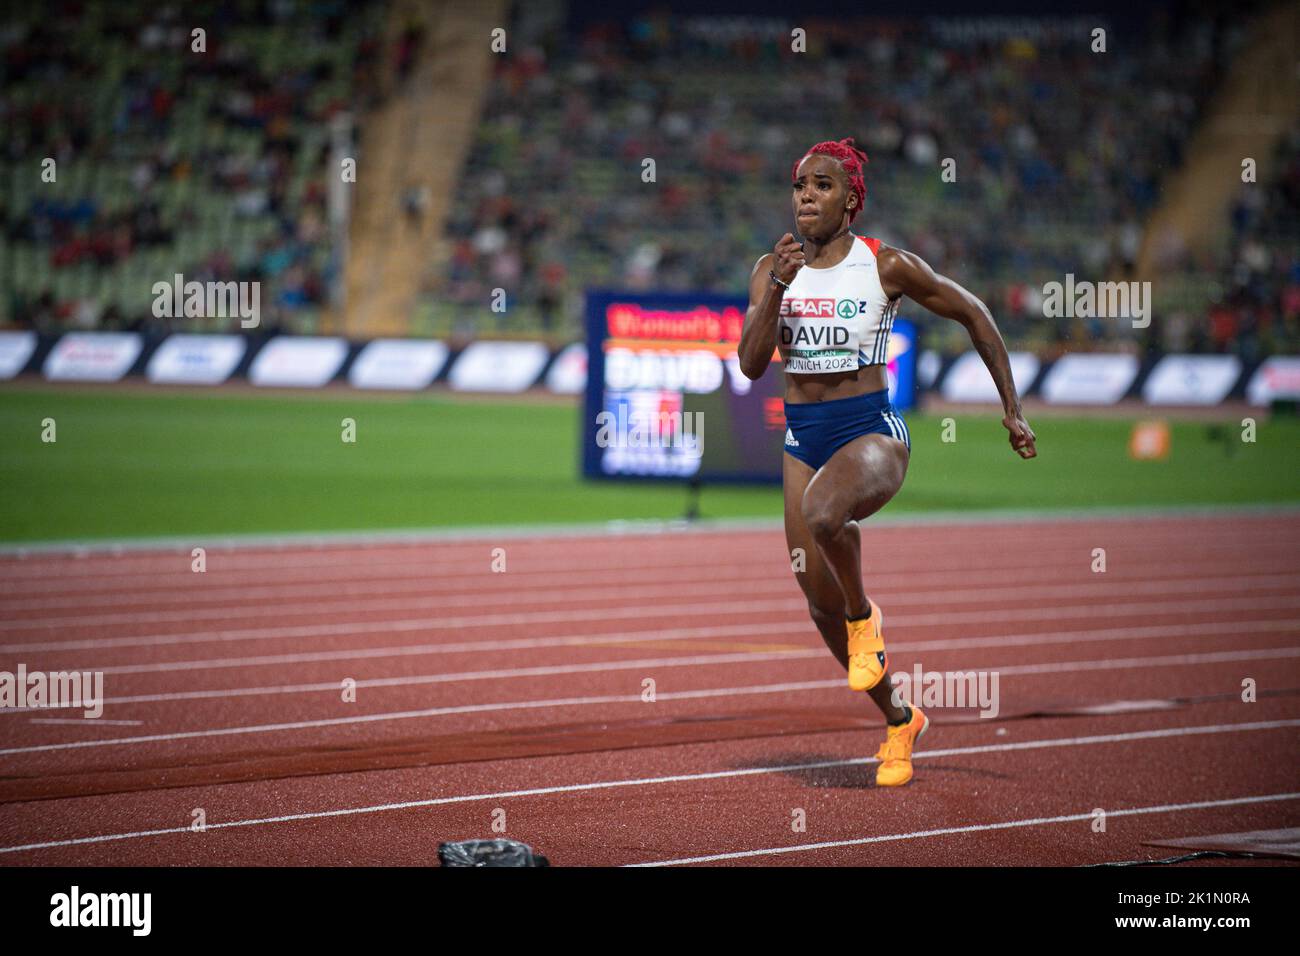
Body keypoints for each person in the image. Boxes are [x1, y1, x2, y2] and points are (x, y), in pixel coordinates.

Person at [737, 138, 1037, 787]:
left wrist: (1012, 409)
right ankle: (900, 719)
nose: (806, 197)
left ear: (851, 200)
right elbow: (752, 363)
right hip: (803, 438)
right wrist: (779, 285)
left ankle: (863, 615)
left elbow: (975, 313)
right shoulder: (772, 267)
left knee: (825, 513)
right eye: (799, 186)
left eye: (821, 186)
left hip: (872, 431)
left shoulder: (884, 264)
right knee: (817, 603)